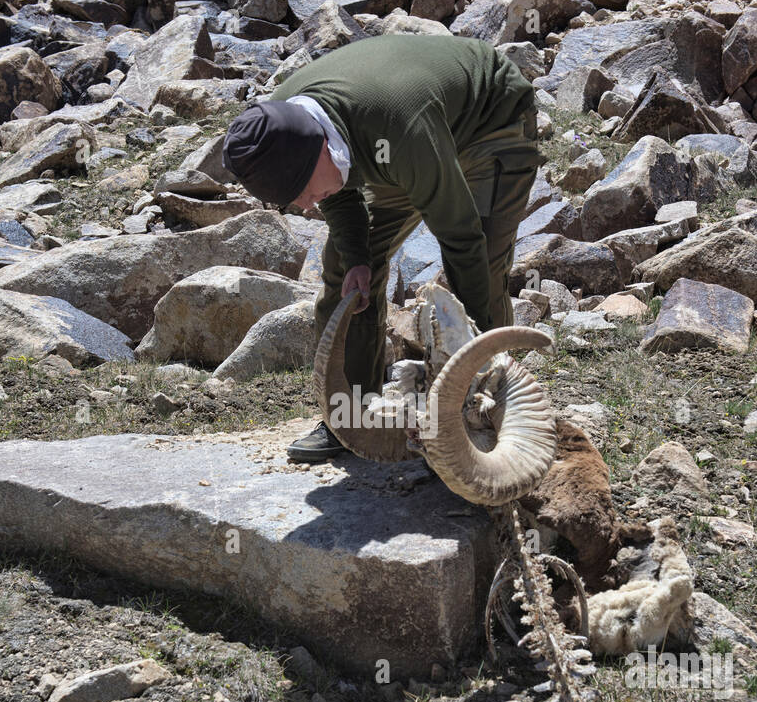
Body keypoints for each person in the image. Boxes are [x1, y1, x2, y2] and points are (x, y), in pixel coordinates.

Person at [221, 34, 543, 462]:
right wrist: (358, 259)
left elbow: (460, 236)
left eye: (301, 190)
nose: (303, 205)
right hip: (392, 141)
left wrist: (470, 359)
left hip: (490, 118)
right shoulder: (283, 121)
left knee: (480, 263)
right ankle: (351, 417)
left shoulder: (400, 127)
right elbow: (336, 196)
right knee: (344, 271)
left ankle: (492, 410)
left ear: (321, 147)